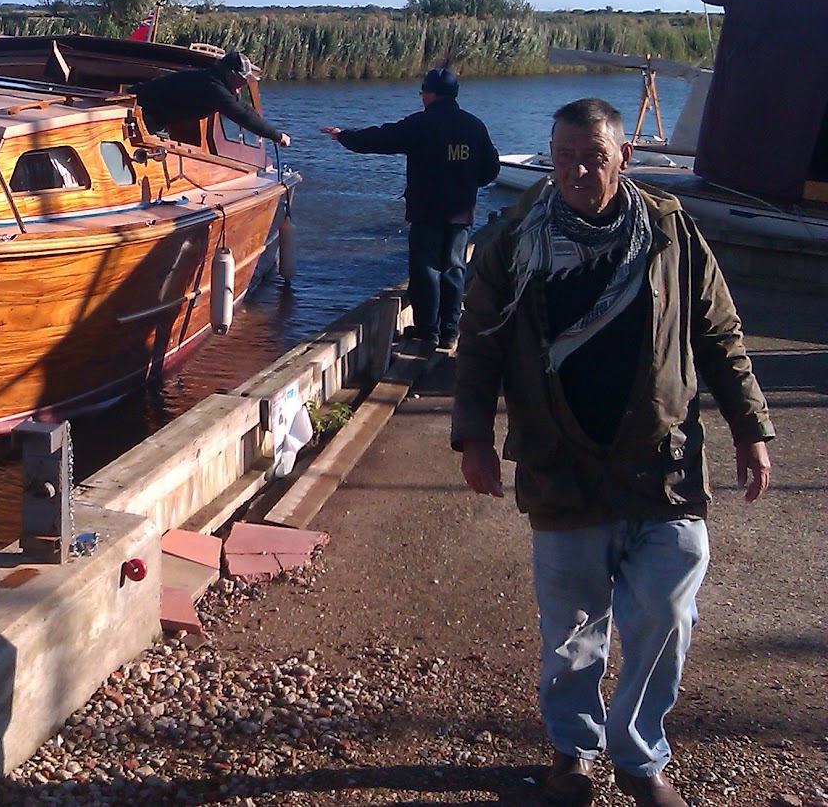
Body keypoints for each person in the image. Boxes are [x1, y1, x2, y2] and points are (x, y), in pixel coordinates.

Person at [452, 97, 773, 807]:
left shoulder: (669, 230)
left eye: (593, 156)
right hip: (560, 464)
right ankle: (574, 752)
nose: (576, 170)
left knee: (666, 607)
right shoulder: (514, 238)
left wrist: (750, 427)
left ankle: (639, 754)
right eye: (563, 155)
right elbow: (479, 341)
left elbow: (719, 332)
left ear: (622, 157)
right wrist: (473, 435)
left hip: (659, 461)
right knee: (570, 627)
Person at [318, 66, 498, 349]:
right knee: (454, 268)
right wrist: (466, 184)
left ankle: (428, 331)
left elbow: (380, 138)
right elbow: (491, 169)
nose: (421, 97)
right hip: (461, 212)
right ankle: (450, 331)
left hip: (427, 211)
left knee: (426, 268)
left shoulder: (420, 124)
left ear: (431, 94)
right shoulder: (474, 126)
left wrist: (344, 136)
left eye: (422, 92)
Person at [132, 51, 291, 147]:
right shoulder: (214, 88)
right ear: (230, 74)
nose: (244, 84)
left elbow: (244, 108)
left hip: (155, 115)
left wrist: (273, 132)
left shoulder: (216, 81)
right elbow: (240, 115)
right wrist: (276, 136)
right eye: (243, 80)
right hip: (141, 111)